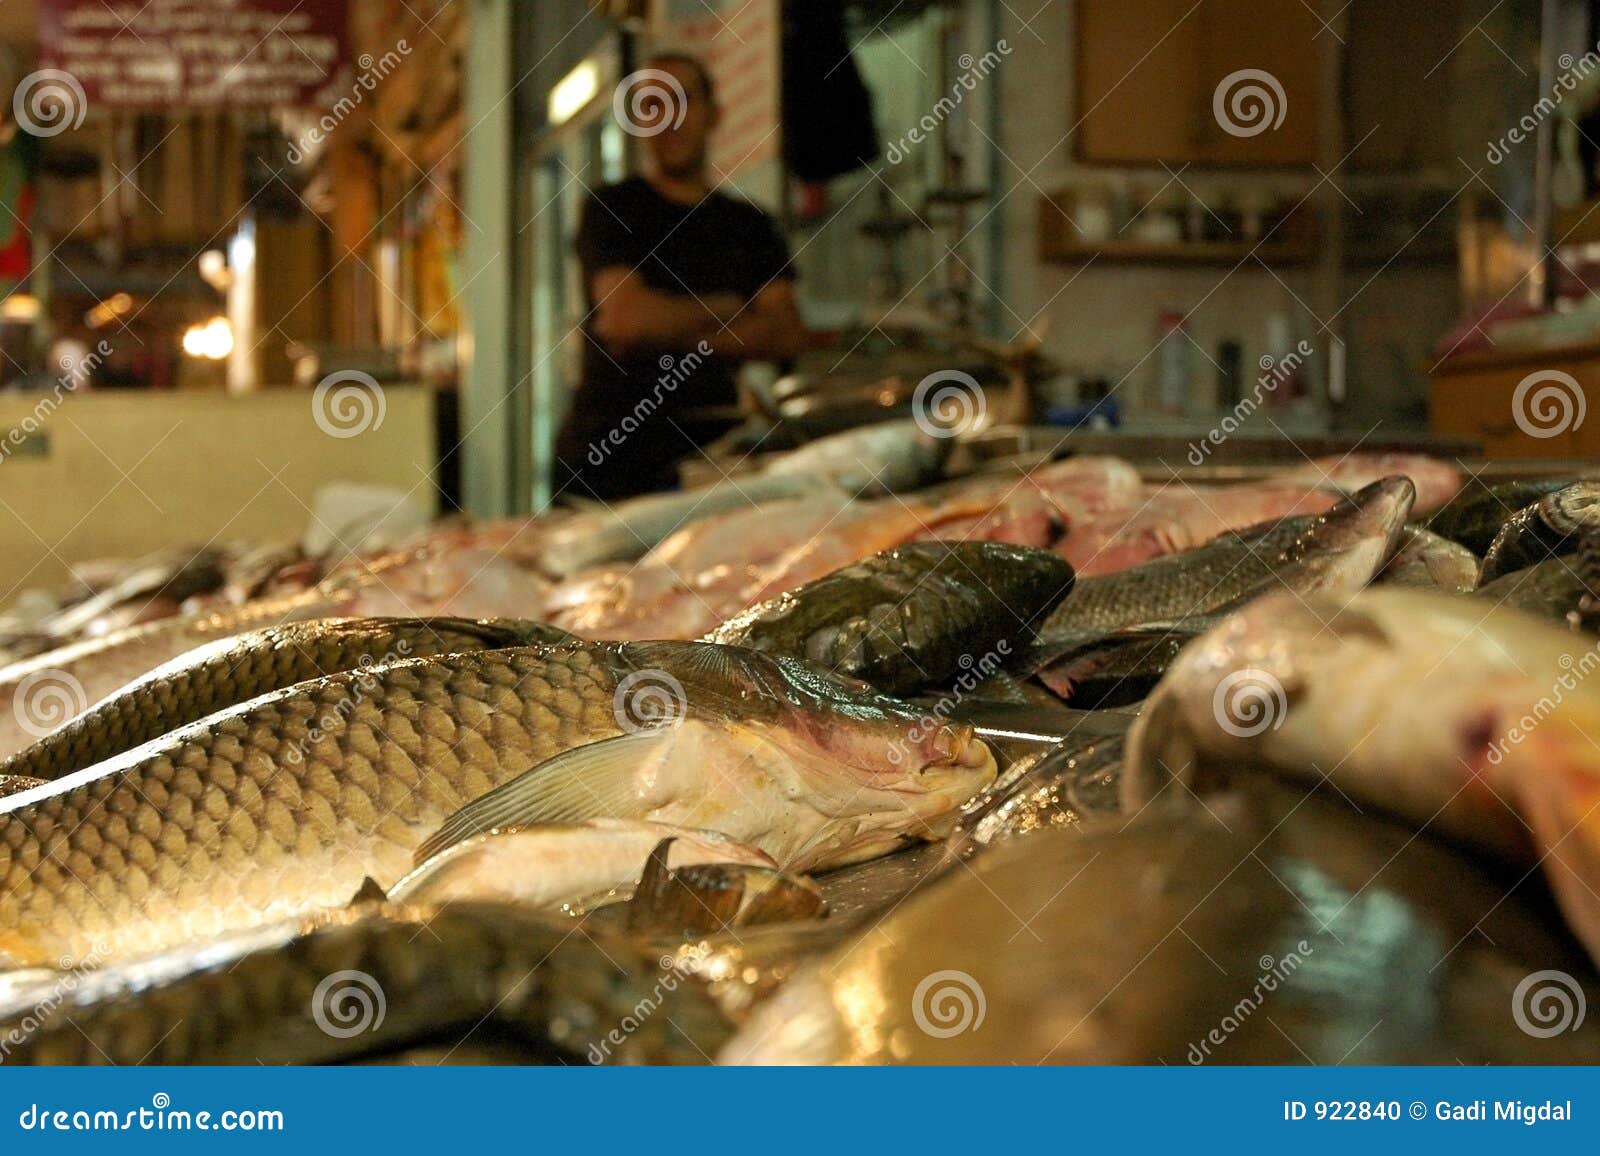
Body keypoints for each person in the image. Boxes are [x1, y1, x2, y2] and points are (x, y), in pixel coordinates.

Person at [554, 53, 803, 501]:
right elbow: (626, 322)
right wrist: (731, 309)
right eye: (653, 104)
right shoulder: (613, 207)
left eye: (683, 100)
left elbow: (784, 334)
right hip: (607, 461)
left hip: (716, 463)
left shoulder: (752, 225)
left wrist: (666, 327)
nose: (668, 118)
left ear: (714, 114)